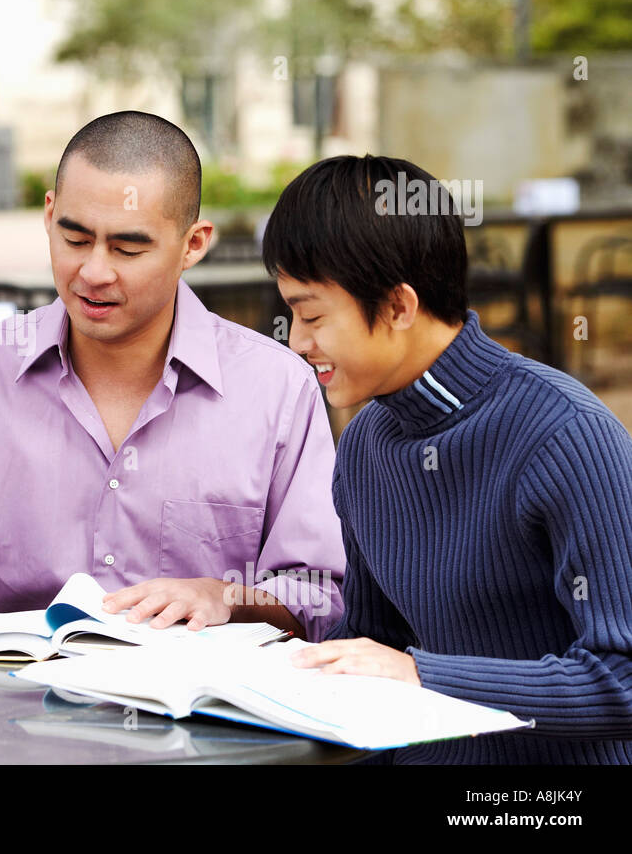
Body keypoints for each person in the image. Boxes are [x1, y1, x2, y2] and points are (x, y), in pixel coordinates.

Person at [0, 111, 343, 641]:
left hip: (207, 712)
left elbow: (318, 594)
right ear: (49, 216)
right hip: (14, 708)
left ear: (193, 244)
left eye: (128, 248)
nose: (93, 272)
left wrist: (223, 596)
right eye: (75, 239)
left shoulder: (276, 388)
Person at [263, 154, 632, 764]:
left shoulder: (566, 435)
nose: (298, 343)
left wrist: (423, 676)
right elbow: (371, 647)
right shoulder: (364, 444)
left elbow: (621, 682)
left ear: (399, 307)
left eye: (312, 316)